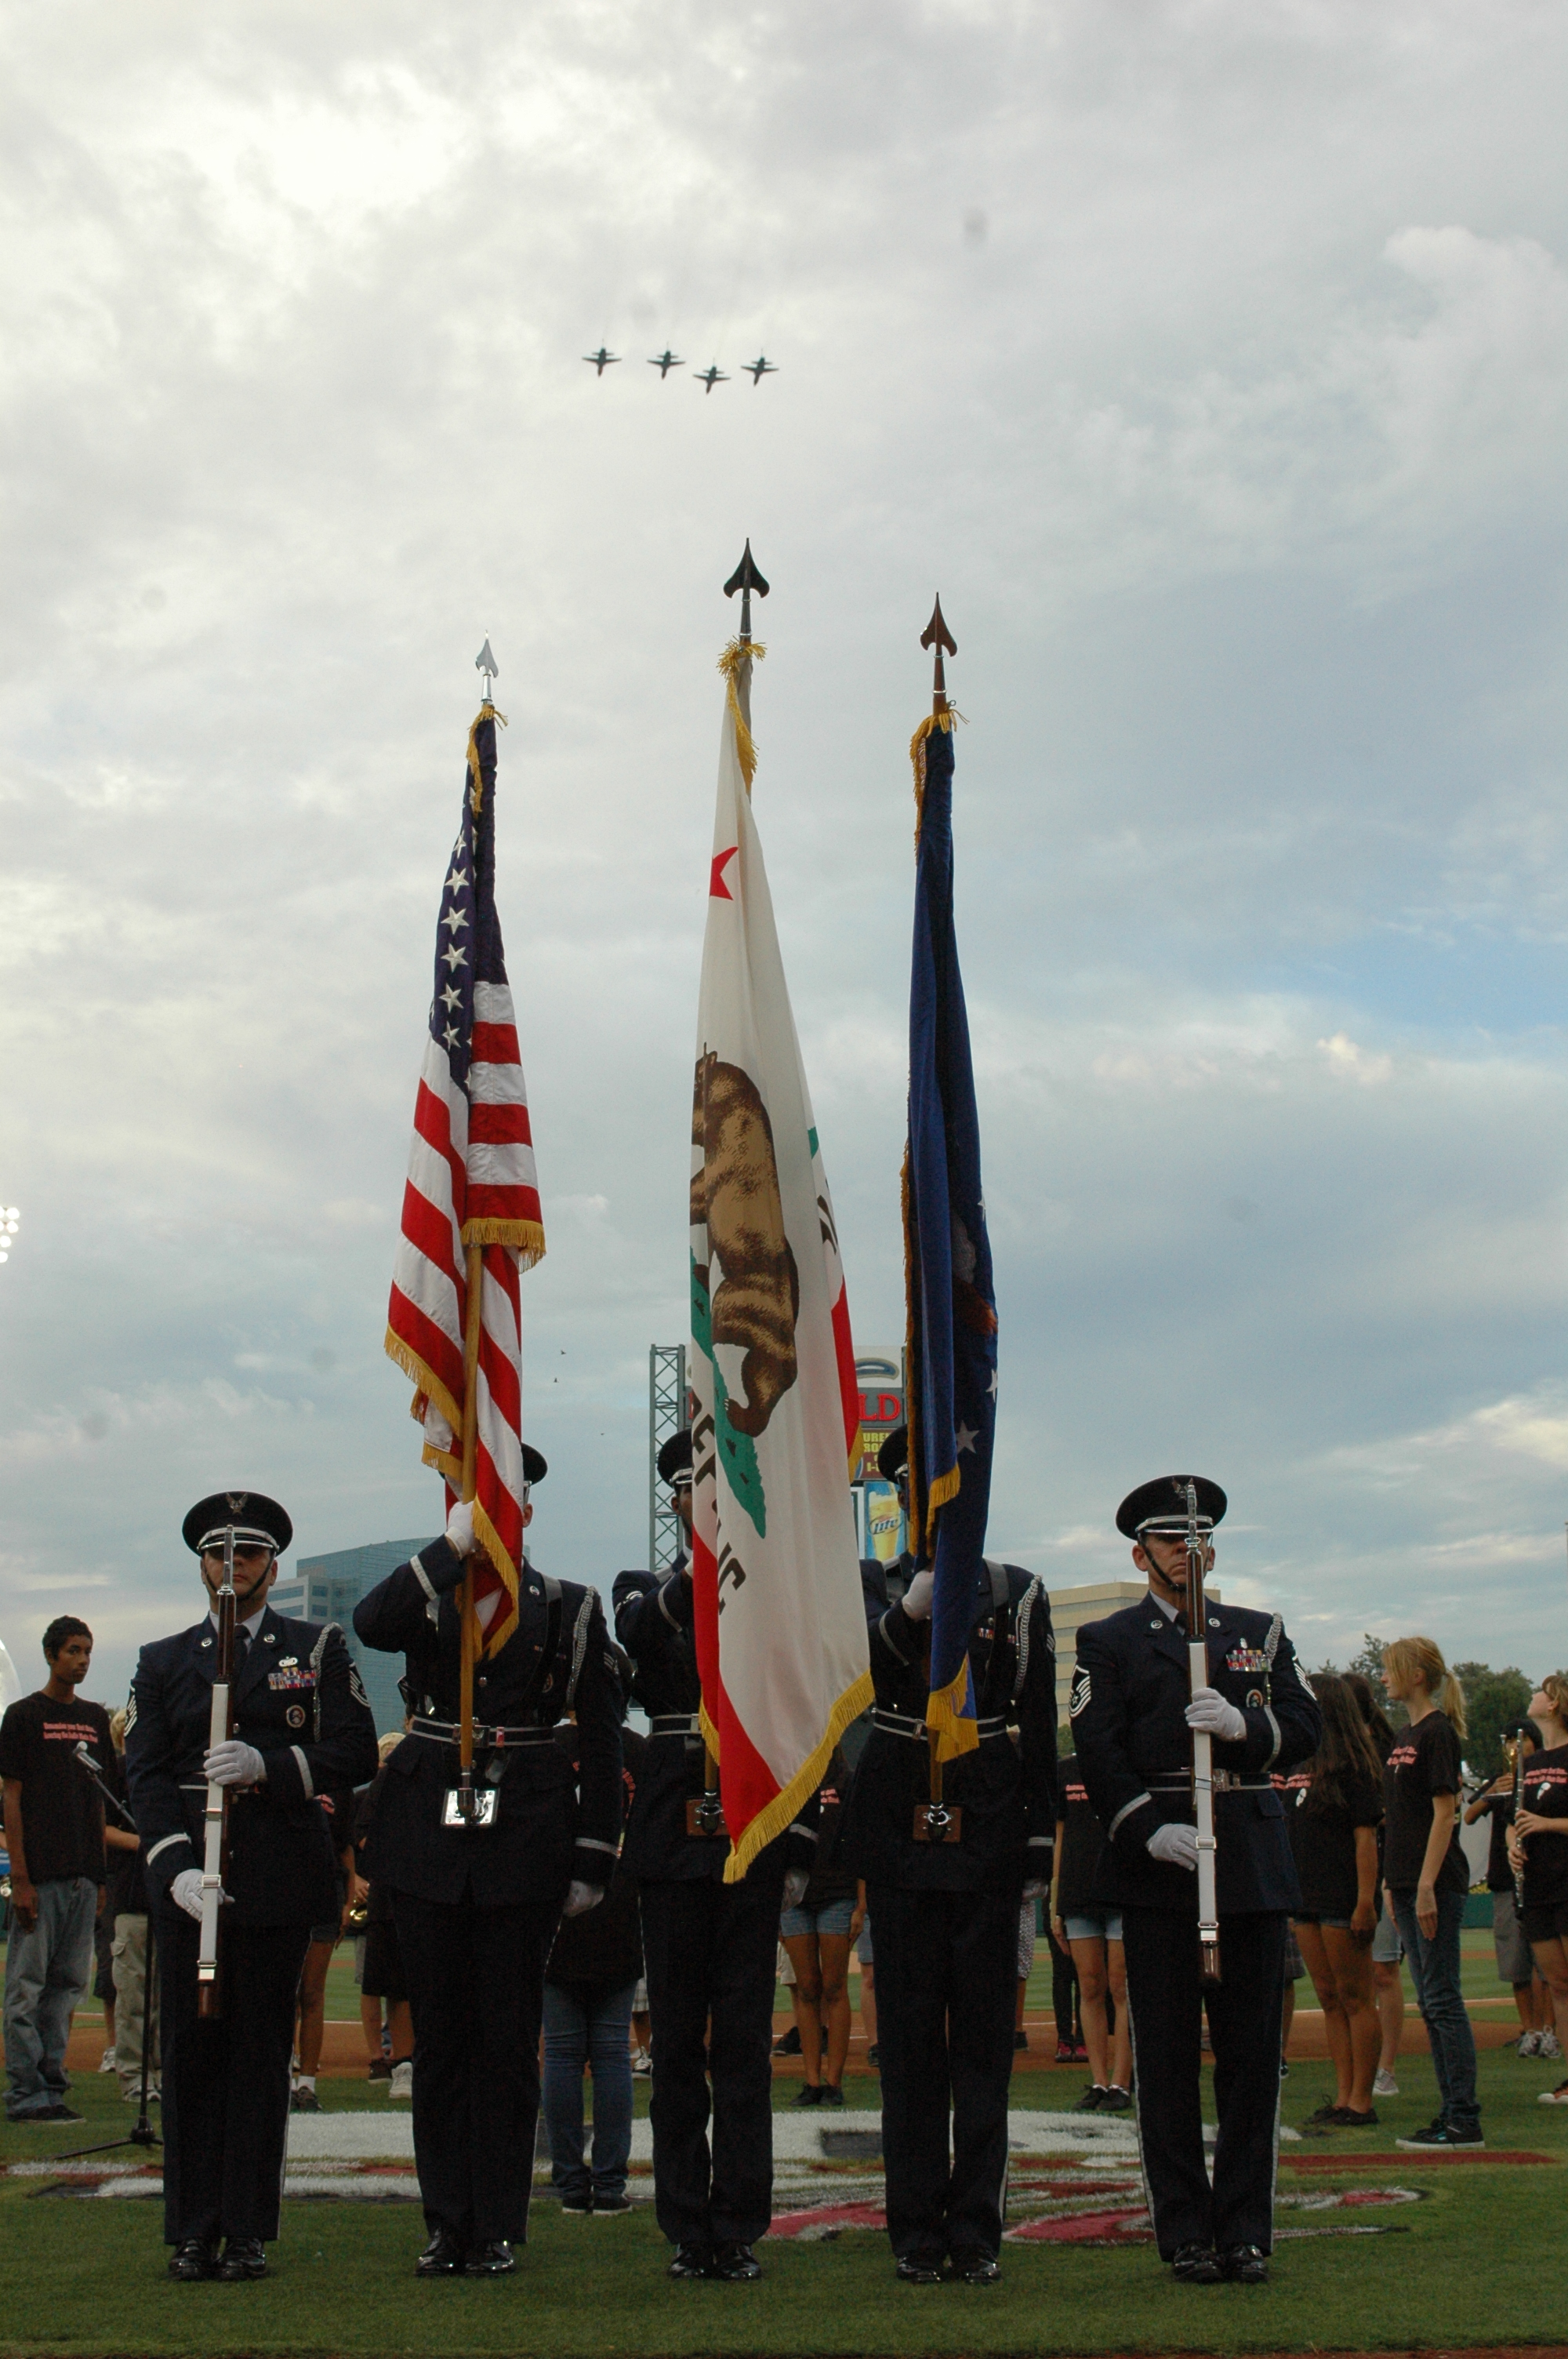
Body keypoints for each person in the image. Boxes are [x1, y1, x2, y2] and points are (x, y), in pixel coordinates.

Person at [354, 1451, 624, 2278]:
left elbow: (605, 1732)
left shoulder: (570, 1608)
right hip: (429, 1844)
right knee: (437, 2042)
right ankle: (446, 2222)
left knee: (507, 2043)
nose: (496, 1521)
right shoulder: (428, 1596)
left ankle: (498, 2222)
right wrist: (444, 1553)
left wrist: (593, 1853)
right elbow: (369, 1621)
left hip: (526, 1839)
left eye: (507, 1507)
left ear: (527, 1516)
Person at [1073, 1475, 1322, 2287]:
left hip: (1246, 1861)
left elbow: (1305, 1728)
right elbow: (1098, 1749)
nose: (1191, 1551)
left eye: (1199, 1538)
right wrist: (1148, 1825)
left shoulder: (1258, 1630)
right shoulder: (1108, 1639)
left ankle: (1245, 2227)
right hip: (1162, 1867)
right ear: (1140, 1552)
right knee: (1169, 2059)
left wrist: (1245, 1724)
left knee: (1252, 2058)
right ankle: (1183, 2228)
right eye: (1173, 1540)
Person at [125, 1490, 379, 2281]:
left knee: (259, 2059)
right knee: (192, 2056)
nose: (232, 1567)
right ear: (200, 1562)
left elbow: (355, 1748)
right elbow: (149, 1772)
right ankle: (193, 2227)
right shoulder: (164, 1659)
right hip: (192, 1889)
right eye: (218, 1554)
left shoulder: (317, 1645)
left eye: (249, 1554)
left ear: (271, 1564)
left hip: (273, 1877)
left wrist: (269, 1764)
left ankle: (246, 2229)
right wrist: (175, 1868)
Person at [842, 1426, 1058, 2287]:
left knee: (980, 2045)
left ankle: (974, 2228)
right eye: (918, 1491)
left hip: (990, 1817)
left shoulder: (1016, 1590)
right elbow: (850, 1677)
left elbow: (1037, 1723)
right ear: (902, 1497)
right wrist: (909, 1611)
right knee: (907, 2044)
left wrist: (1039, 1840)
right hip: (899, 1814)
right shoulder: (869, 1583)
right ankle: (913, 2228)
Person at [614, 1427, 815, 2284]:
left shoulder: (774, 1596)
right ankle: (682, 2221)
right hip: (670, 1836)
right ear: (674, 1498)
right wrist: (697, 1578)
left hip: (751, 1823)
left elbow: (804, 1709)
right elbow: (628, 1649)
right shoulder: (643, 1589)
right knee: (675, 2047)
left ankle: (736, 2220)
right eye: (689, 1489)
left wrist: (797, 1838)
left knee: (739, 2039)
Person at [1, 1616, 117, 2125]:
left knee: (68, 1985)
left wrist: (102, 1875)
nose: (82, 1660)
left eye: (88, 1651)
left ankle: (52, 2082)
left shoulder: (94, 1718)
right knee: (26, 1986)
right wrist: (21, 1878)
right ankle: (25, 2091)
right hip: (40, 1875)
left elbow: (99, 1803)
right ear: (51, 1655)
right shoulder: (23, 1716)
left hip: (83, 1876)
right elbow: (12, 1797)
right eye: (73, 1651)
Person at [1380, 1635, 1482, 2150]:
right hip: (1405, 1884)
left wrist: (1423, 1886)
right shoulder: (1406, 1732)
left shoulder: (1437, 1733)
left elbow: (1445, 1813)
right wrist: (1391, 1882)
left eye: (1390, 1669)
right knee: (1432, 2001)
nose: (1384, 1678)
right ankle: (1451, 2114)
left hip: (1433, 1885)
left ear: (1416, 1674)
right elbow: (1401, 1818)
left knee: (1443, 2000)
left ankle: (1464, 2117)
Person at [541, 1721, 648, 2212]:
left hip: (556, 1908)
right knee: (610, 2054)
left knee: (562, 2055)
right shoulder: (635, 1749)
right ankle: (608, 2186)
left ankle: (569, 2183)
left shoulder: (549, 1744)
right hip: (621, 1907)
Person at [1281, 1672, 1384, 2128]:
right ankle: (1342, 2095)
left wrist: (1365, 1902)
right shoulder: (1299, 1764)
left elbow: (1366, 1841)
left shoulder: (1356, 1768)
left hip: (1342, 1896)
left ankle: (1362, 2098)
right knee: (1327, 1997)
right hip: (1305, 1897)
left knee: (1355, 1997)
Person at [1466, 1723, 1552, 2058]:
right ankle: (1528, 2030)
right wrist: (1493, 1792)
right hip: (1505, 1878)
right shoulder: (1502, 1778)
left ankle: (1549, 2029)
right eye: (1511, 1741)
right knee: (1516, 1961)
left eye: (1523, 1739)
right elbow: (1470, 1815)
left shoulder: (1545, 1773)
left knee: (1546, 1962)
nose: (1517, 1747)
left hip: (1542, 1876)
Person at [781, 1747, 860, 2107]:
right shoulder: (788, 1773)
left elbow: (863, 1844)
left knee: (834, 1986)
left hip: (838, 1892)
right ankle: (811, 2080)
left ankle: (834, 2081)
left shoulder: (846, 1779)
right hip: (795, 1896)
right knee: (806, 1988)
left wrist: (862, 1903)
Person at [1052, 1750, 1130, 2110]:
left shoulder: (1125, 1760)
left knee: (1121, 1985)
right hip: (1077, 1891)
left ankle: (1122, 2082)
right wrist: (1056, 1902)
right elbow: (1060, 1834)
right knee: (1089, 1984)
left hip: (1121, 1888)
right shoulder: (1065, 1769)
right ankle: (1099, 2081)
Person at [1507, 1672, 1568, 2104]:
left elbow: (1540, 1819)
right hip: (1539, 1887)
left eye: (1541, 1692)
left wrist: (1547, 1825)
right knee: (1559, 1984)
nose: (1534, 1696)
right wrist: (1513, 1846)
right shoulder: (1528, 1763)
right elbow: (1514, 1820)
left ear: (1555, 1705)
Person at [1345, 1670, 1406, 2095]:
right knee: (1353, 1981)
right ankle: (1356, 2067)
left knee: (1383, 1971)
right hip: (1344, 1871)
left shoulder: (1384, 1748)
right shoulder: (1335, 1750)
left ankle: (1386, 2067)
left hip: (1384, 1866)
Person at [353, 1732, 414, 2093]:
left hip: (439, 1893)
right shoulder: (385, 1780)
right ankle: (401, 2063)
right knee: (393, 1985)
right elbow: (361, 1834)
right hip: (391, 1897)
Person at [289, 1789, 355, 2111]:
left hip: (326, 1894)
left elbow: (344, 1849)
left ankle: (308, 2083)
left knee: (313, 1993)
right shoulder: (282, 1779)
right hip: (286, 1892)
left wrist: (348, 1901)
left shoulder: (338, 1792)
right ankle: (284, 2078)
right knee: (286, 1993)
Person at [106, 1706, 158, 2106]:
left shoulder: (162, 1774)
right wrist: (145, 1842)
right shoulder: (115, 1775)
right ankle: (133, 2074)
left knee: (163, 1995)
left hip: (167, 1898)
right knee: (132, 1994)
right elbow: (101, 1828)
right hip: (131, 1897)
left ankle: (159, 2070)